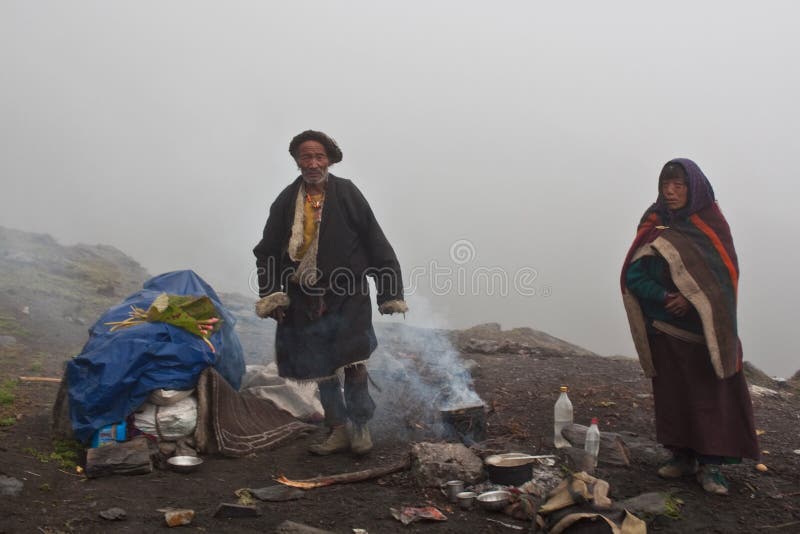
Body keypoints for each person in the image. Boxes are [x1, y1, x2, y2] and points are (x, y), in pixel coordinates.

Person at [253, 130, 407, 456]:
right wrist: (272, 294)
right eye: (306, 157)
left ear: (330, 159)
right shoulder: (285, 201)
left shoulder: (347, 193)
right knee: (321, 367)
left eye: (319, 156)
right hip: (304, 298)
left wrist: (388, 292)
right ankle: (338, 429)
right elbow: (267, 252)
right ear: (297, 161)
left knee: (352, 361)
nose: (312, 163)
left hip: (348, 293)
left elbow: (374, 241)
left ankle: (361, 426)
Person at [621, 158, 759, 495]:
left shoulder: (710, 226)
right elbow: (633, 275)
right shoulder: (655, 224)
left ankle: (712, 467)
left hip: (703, 336)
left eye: (678, 185)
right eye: (665, 185)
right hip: (664, 333)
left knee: (709, 399)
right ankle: (682, 457)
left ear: (693, 188)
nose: (670, 191)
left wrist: (691, 297)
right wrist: (665, 295)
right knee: (674, 398)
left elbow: (723, 279)